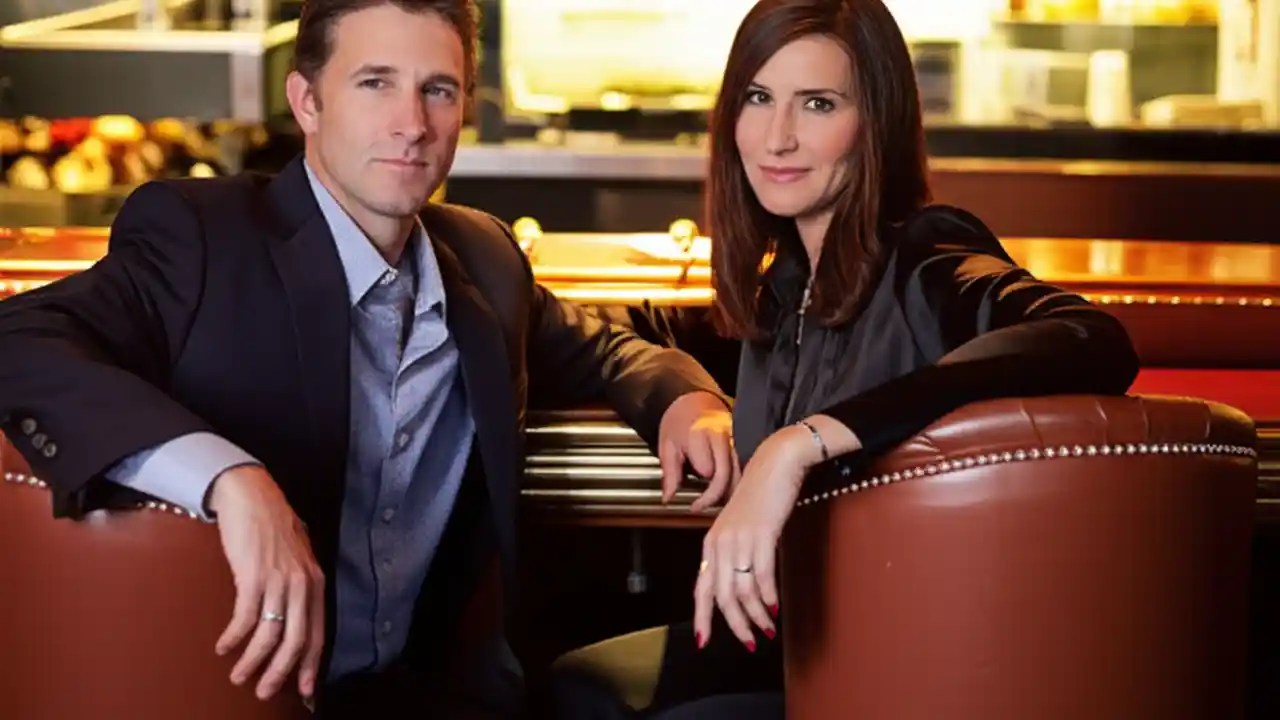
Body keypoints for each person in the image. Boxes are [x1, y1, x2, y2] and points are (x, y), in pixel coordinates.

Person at [0, 0, 739, 716]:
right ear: (307, 101)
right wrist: (232, 478)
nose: (411, 124)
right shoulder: (203, 238)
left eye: (437, 90)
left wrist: (688, 399)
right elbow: (20, 339)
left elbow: (605, 345)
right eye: (376, 82)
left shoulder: (484, 257)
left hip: (433, 697)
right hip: (234, 695)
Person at [543, 0, 1141, 716]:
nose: (778, 136)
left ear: (875, 124)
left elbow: (1089, 337)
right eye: (758, 98)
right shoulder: (787, 288)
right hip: (799, 637)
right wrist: (688, 397)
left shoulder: (925, 255)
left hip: (909, 661)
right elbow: (623, 330)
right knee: (576, 684)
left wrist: (799, 444)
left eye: (818, 104)